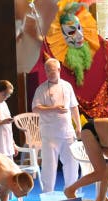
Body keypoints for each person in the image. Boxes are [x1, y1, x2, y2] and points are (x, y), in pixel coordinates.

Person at [32, 58, 81, 193]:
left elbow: (74, 107)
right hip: (50, 134)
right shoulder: (41, 89)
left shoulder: (67, 86)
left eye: (52, 70)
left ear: (59, 70)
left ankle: (71, 191)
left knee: (72, 164)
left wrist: (78, 126)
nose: (49, 73)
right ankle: (48, 193)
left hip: (68, 133)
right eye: (47, 71)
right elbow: (35, 108)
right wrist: (53, 109)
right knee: (49, 166)